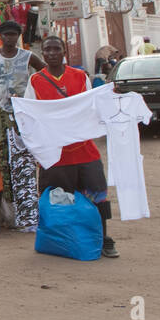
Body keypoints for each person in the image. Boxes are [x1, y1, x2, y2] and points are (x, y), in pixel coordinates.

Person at [26, 35, 118, 257]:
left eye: (56, 49)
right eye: (47, 50)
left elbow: (90, 107)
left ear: (64, 51)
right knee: (58, 201)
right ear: (43, 53)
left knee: (97, 196)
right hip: (56, 155)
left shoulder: (79, 76)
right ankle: (60, 241)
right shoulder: (35, 81)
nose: (51, 53)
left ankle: (103, 239)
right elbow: (31, 115)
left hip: (84, 150)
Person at [0, 19, 45, 230]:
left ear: (19, 36)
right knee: (4, 163)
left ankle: (28, 208)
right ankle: (9, 210)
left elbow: (46, 74)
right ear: (1, 36)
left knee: (26, 163)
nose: (10, 38)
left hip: (24, 117)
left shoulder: (28, 57)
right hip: (0, 117)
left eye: (13, 34)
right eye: (6, 34)